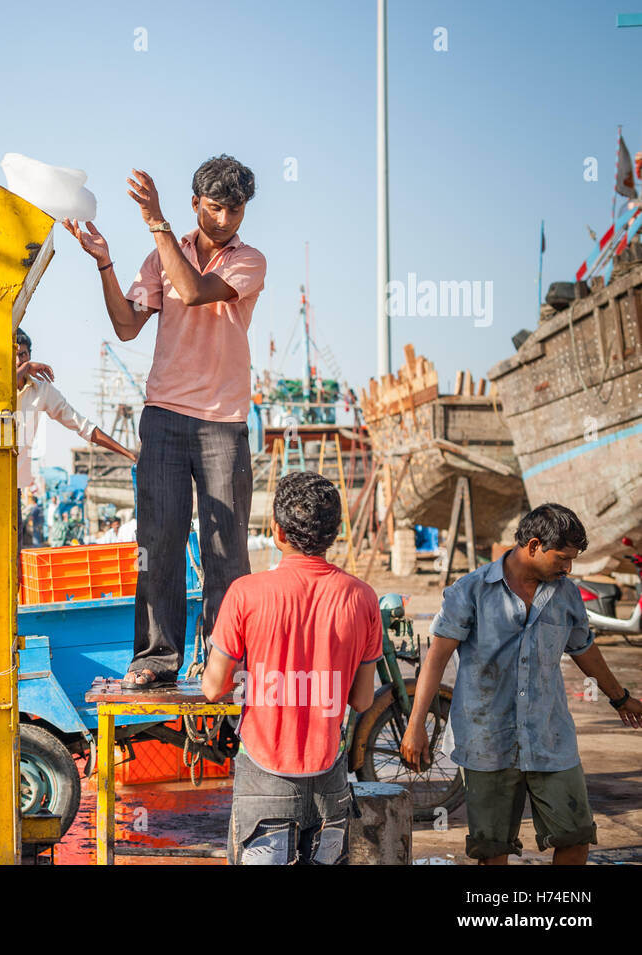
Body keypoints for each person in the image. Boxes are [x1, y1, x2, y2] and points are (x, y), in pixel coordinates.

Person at [63, 155, 265, 689]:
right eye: (216, 207)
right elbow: (127, 327)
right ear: (196, 202)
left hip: (223, 421)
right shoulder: (161, 259)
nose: (225, 219)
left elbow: (197, 292)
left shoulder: (249, 261)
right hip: (165, 416)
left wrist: (156, 222)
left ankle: (226, 663)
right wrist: (105, 264)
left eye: (235, 209)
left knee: (226, 547)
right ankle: (155, 660)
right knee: (159, 540)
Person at [401, 503, 642, 865]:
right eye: (562, 558)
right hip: (486, 743)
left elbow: (585, 651)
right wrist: (416, 724)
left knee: (576, 836)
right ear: (533, 546)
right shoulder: (470, 591)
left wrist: (620, 698)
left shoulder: (567, 595)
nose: (568, 568)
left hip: (550, 738)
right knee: (492, 849)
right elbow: (435, 659)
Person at [201, 471, 381, 864]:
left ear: (277, 531)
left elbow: (213, 687)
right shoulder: (364, 598)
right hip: (329, 778)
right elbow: (363, 698)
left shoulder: (245, 594)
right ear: (333, 534)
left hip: (264, 777)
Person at [14, 327, 136, 490]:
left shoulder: (42, 391)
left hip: (15, 486)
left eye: (23, 355)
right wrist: (26, 368)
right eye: (13, 355)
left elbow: (83, 426)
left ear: (30, 355)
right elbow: (6, 384)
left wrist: (129, 454)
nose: (18, 361)